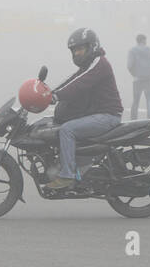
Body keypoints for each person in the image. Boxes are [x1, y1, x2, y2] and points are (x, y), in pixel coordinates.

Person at [45, 28, 124, 190]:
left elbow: (79, 84)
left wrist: (56, 96)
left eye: (80, 49)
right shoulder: (89, 65)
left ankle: (67, 176)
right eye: (74, 51)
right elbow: (72, 79)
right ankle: (73, 165)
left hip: (108, 116)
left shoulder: (99, 63)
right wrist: (49, 92)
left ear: (92, 46)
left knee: (67, 130)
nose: (76, 54)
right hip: (98, 114)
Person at [126, 33, 150, 119]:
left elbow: (129, 65)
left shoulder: (132, 51)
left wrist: (134, 73)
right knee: (149, 100)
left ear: (137, 41)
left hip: (137, 79)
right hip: (148, 78)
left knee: (136, 101)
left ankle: (133, 120)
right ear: (144, 40)